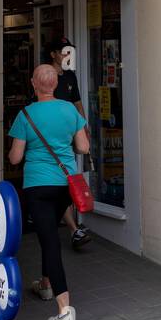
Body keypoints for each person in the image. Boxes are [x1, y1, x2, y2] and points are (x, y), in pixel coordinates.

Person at [7, 63, 90, 320]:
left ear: (33, 84)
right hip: (65, 186)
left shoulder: (25, 115)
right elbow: (83, 146)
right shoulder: (69, 110)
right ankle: (45, 284)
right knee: (49, 235)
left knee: (51, 243)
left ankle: (65, 310)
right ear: (55, 84)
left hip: (38, 187)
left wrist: (14, 153)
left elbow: (16, 157)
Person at [47, 36, 93, 251]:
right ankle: (73, 229)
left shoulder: (70, 77)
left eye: (69, 51)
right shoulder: (45, 76)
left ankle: (71, 228)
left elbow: (77, 103)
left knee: (67, 180)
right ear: (53, 54)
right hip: (52, 137)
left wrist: (83, 126)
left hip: (69, 135)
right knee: (62, 181)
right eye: (63, 51)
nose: (67, 55)